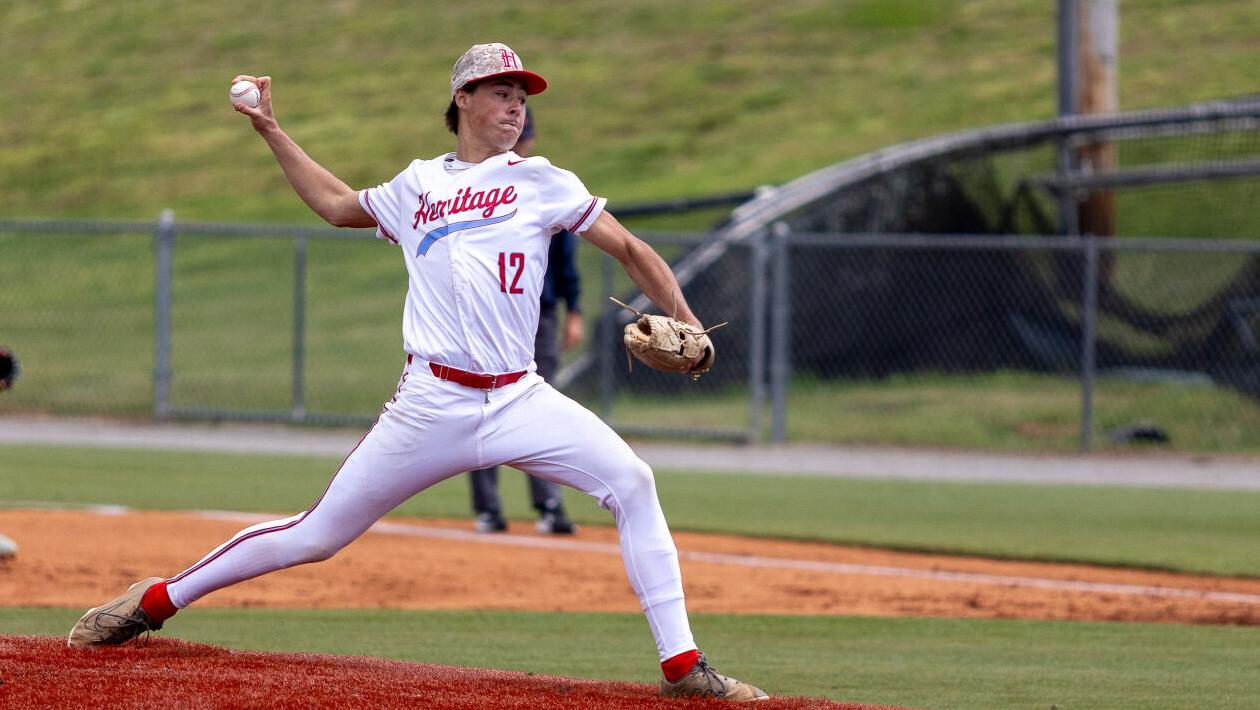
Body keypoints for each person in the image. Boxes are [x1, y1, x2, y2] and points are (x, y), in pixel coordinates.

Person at [68, 43, 766, 701]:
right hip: (431, 402)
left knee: (634, 482)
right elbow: (339, 206)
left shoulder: (543, 180)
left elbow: (630, 247)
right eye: (502, 91)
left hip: (522, 397)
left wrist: (688, 319)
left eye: (522, 94)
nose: (517, 104)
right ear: (463, 98)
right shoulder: (418, 185)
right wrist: (271, 131)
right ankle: (152, 601)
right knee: (317, 536)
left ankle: (682, 667)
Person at [468, 106, 582, 536]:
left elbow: (568, 258)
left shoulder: (542, 185)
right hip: (488, 315)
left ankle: (549, 504)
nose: (522, 142)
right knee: (479, 407)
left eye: (526, 135)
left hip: (541, 314)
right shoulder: (473, 190)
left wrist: (575, 310)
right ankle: (488, 508)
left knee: (541, 407)